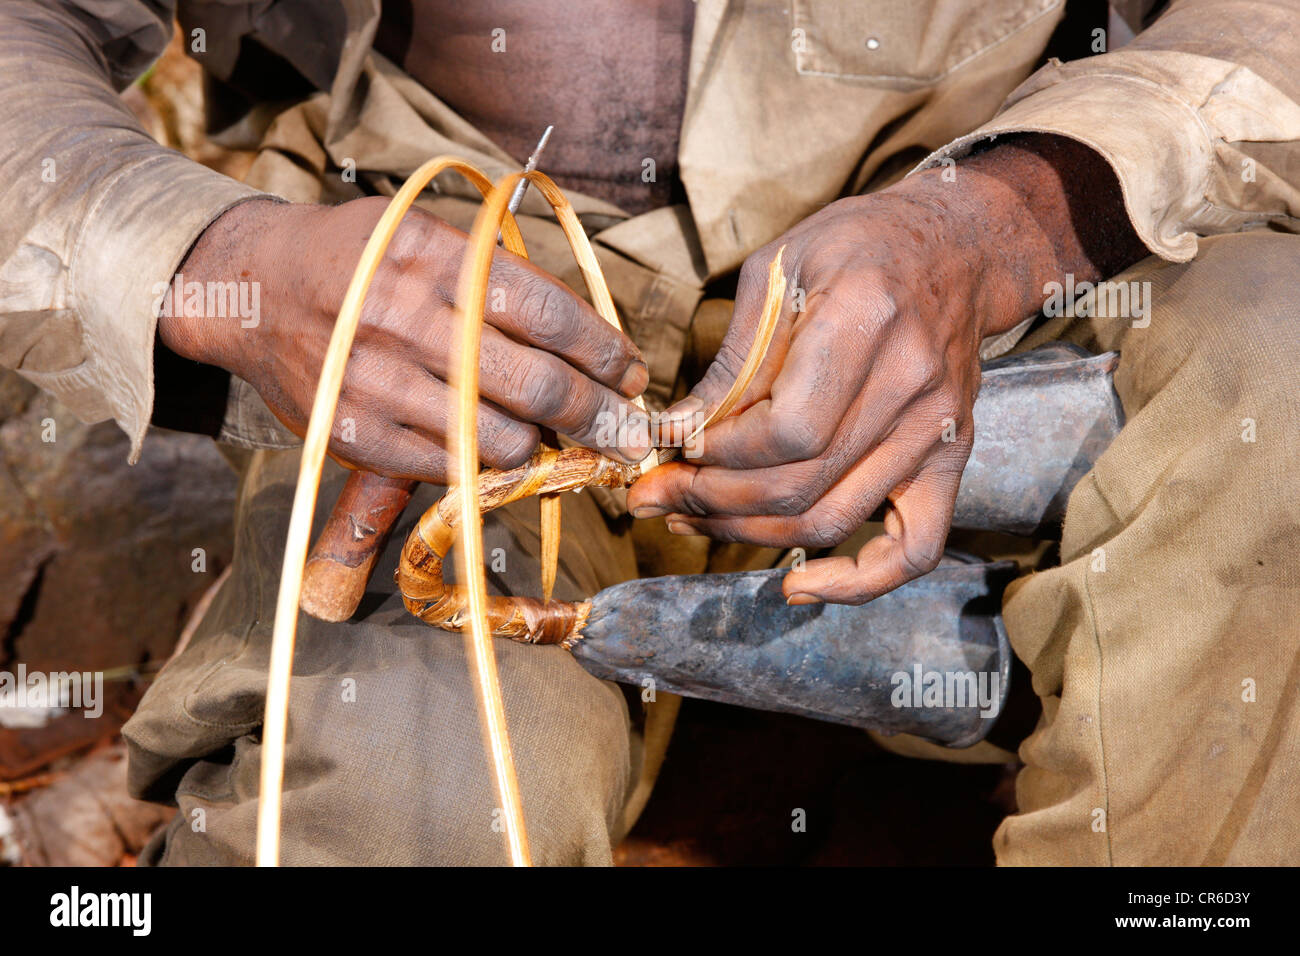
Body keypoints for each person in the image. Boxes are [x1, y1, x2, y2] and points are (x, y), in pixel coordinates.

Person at [1, 0, 1296, 865]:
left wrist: (997, 225)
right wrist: (210, 255)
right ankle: (207, 733)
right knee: (421, 800)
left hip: (997, 250)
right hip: (454, 307)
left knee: (1273, 363)